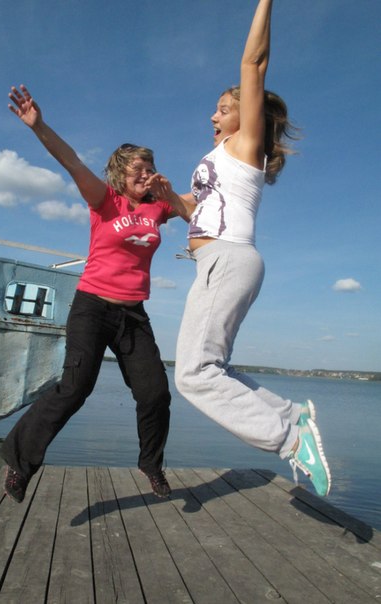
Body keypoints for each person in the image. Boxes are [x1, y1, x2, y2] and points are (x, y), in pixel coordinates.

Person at [148, 0, 331, 497]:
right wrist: (168, 198)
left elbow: (254, 62)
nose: (213, 115)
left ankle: (290, 439)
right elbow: (193, 210)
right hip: (220, 260)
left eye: (223, 108)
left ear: (246, 116)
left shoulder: (247, 144)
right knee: (214, 367)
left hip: (227, 259)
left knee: (194, 374)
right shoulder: (219, 158)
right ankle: (291, 415)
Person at [0, 84, 173, 502]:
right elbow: (71, 161)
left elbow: (197, 205)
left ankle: (151, 465)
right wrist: (38, 126)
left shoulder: (159, 207)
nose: (146, 175)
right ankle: (20, 463)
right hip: (92, 308)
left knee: (155, 393)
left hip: (133, 315)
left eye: (150, 168)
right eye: (139, 169)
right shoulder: (104, 199)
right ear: (120, 174)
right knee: (75, 388)